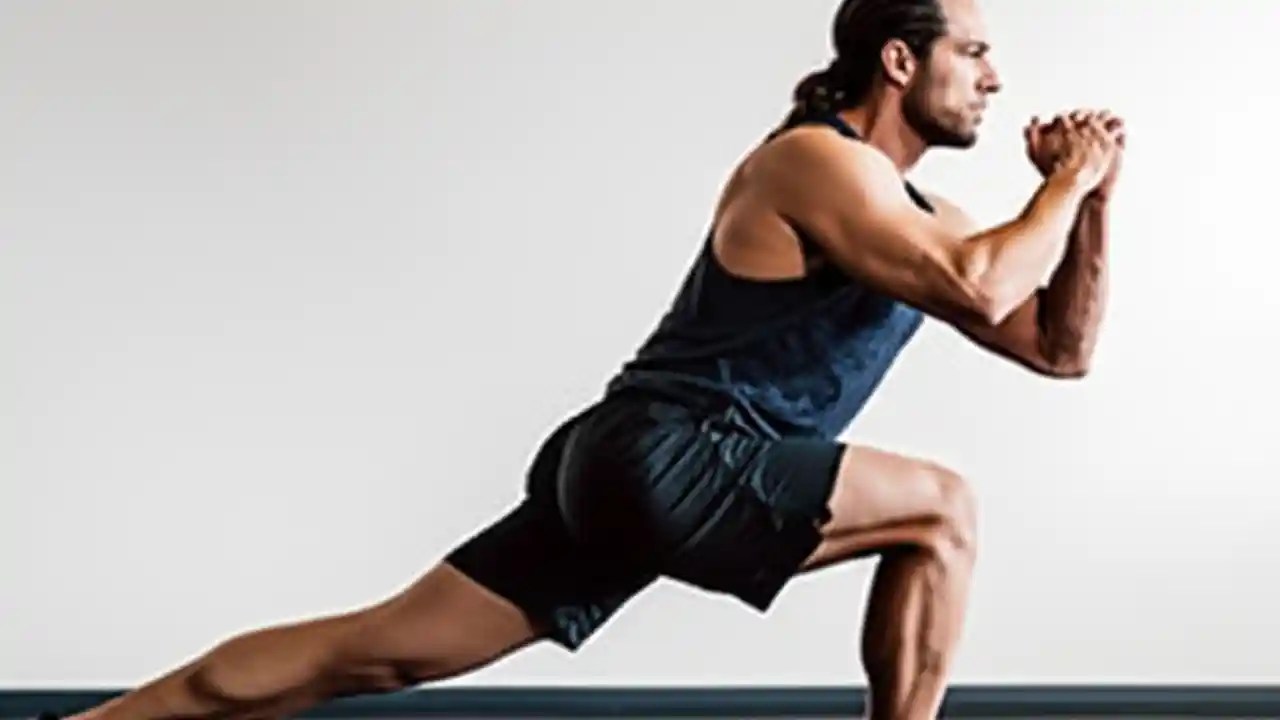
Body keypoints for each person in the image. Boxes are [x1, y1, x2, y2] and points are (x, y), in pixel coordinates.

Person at [51, 0, 1124, 718]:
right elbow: (984, 282)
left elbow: (1054, 348)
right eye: (972, 52)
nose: (994, 77)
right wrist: (1063, 182)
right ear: (899, 60)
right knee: (943, 509)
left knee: (375, 652)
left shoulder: (921, 215)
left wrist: (1094, 204)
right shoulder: (815, 161)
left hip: (616, 467)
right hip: (672, 452)